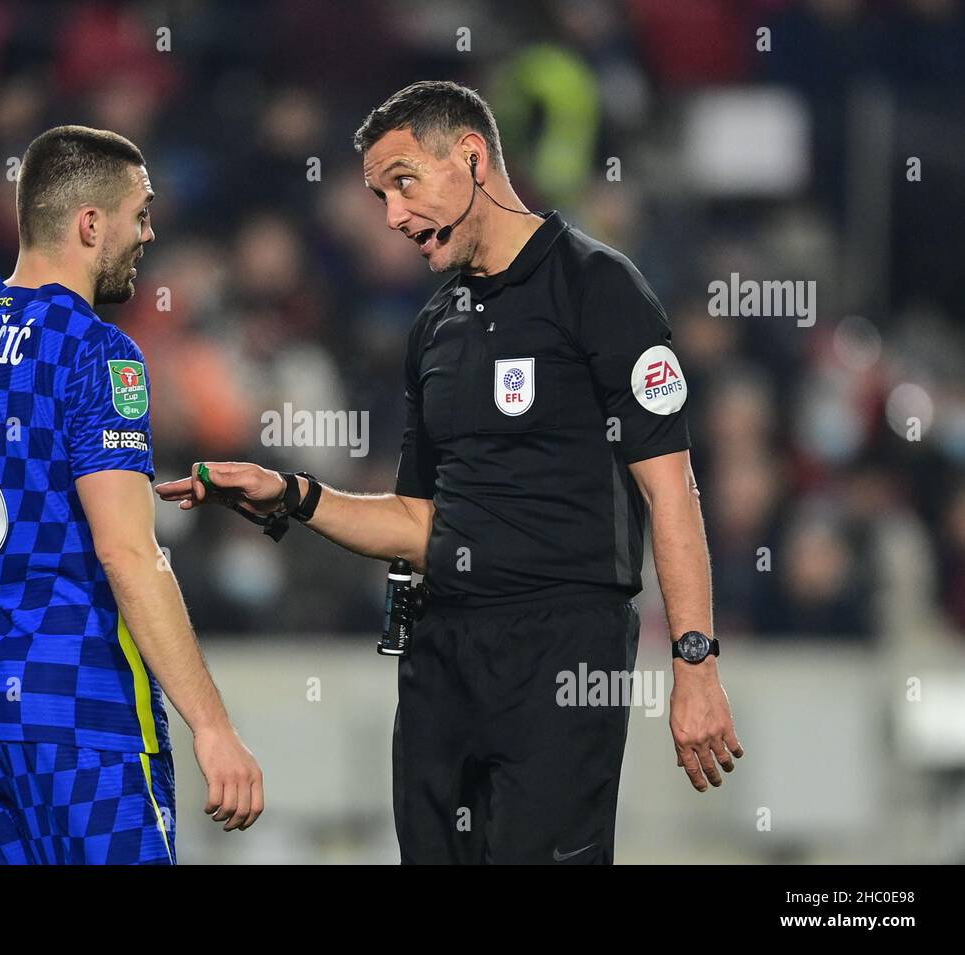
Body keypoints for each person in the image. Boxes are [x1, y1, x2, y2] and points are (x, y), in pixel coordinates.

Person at [156, 82, 742, 864]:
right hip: (441, 659)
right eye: (377, 195)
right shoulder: (434, 326)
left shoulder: (598, 287)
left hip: (562, 652)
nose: (392, 215)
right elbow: (417, 522)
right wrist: (293, 495)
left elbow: (671, 489)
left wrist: (695, 659)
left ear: (470, 156)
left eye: (404, 182)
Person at [0, 126, 262, 864]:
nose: (150, 231)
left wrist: (1, 588)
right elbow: (128, 552)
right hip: (81, 713)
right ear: (89, 223)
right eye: (140, 213)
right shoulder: (98, 352)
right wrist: (212, 724)